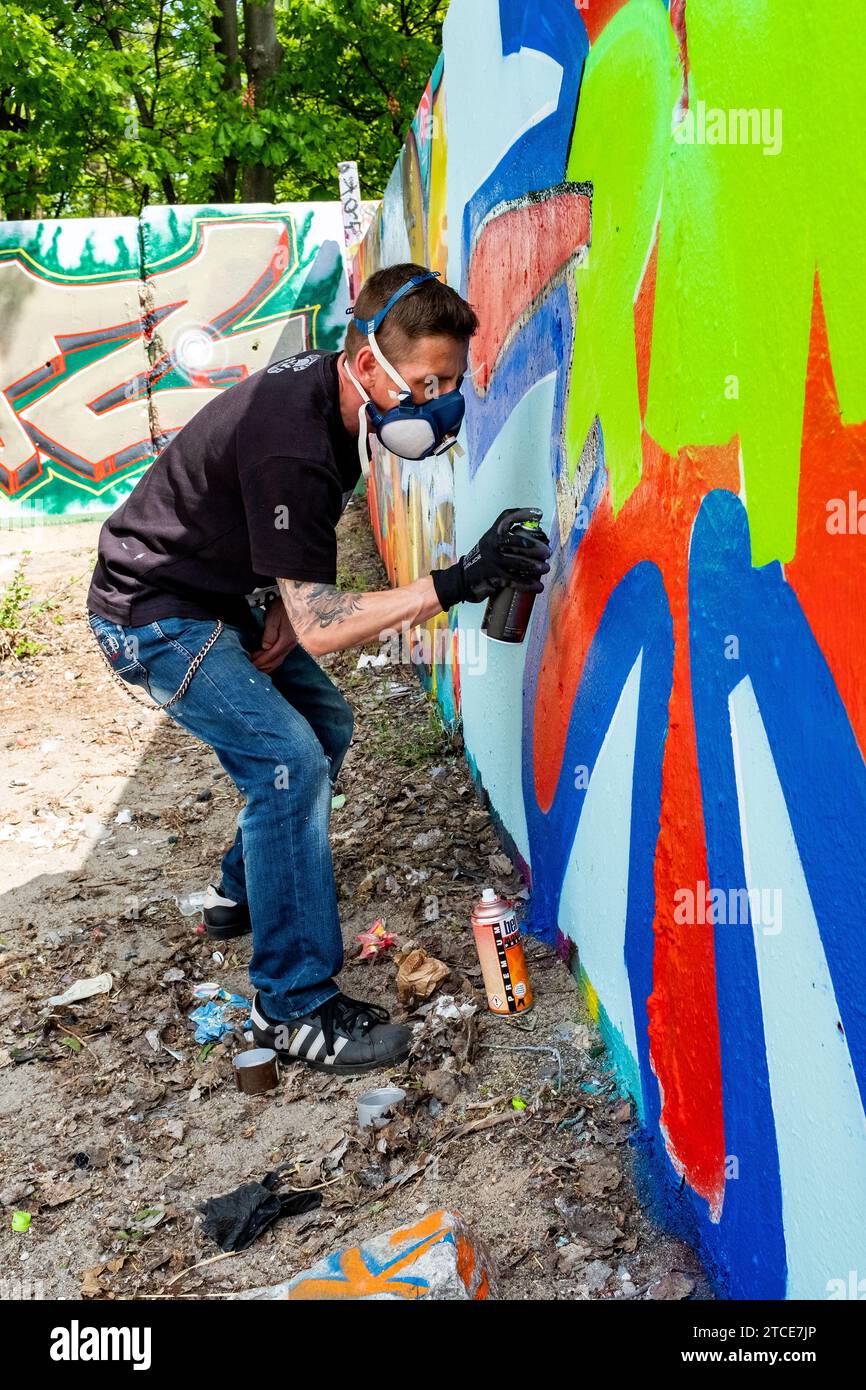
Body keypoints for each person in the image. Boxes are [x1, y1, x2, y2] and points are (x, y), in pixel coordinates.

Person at [85, 262, 551, 1076]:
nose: (438, 400)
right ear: (369, 363)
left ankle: (238, 894)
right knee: (287, 762)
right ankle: (293, 1005)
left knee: (326, 726)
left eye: (450, 380)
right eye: (425, 381)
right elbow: (327, 626)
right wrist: (457, 580)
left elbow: (288, 564)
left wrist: (273, 599)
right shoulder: (296, 444)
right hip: (150, 615)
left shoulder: (338, 402)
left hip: (216, 592)